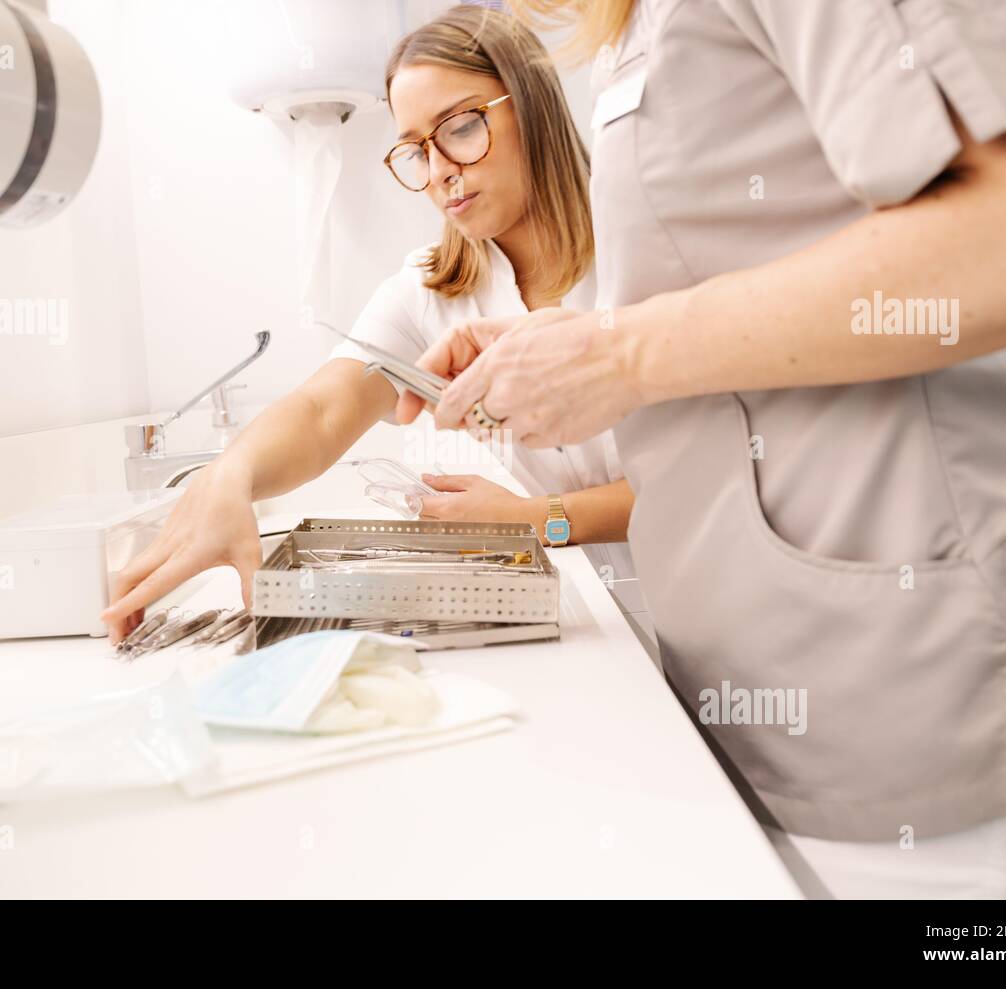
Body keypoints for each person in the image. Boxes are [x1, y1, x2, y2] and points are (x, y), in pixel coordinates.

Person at [405, 0, 1006, 897]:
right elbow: (755, 282)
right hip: (773, 726)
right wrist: (578, 348)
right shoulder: (632, 28)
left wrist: (622, 354)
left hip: (933, 727)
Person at [102, 6, 647, 651]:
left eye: (462, 127)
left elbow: (708, 477)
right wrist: (230, 473)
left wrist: (536, 519)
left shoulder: (642, 242)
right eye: (416, 149)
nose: (440, 169)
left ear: (532, 106)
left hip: (713, 602)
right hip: (603, 628)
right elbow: (322, 408)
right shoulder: (434, 288)